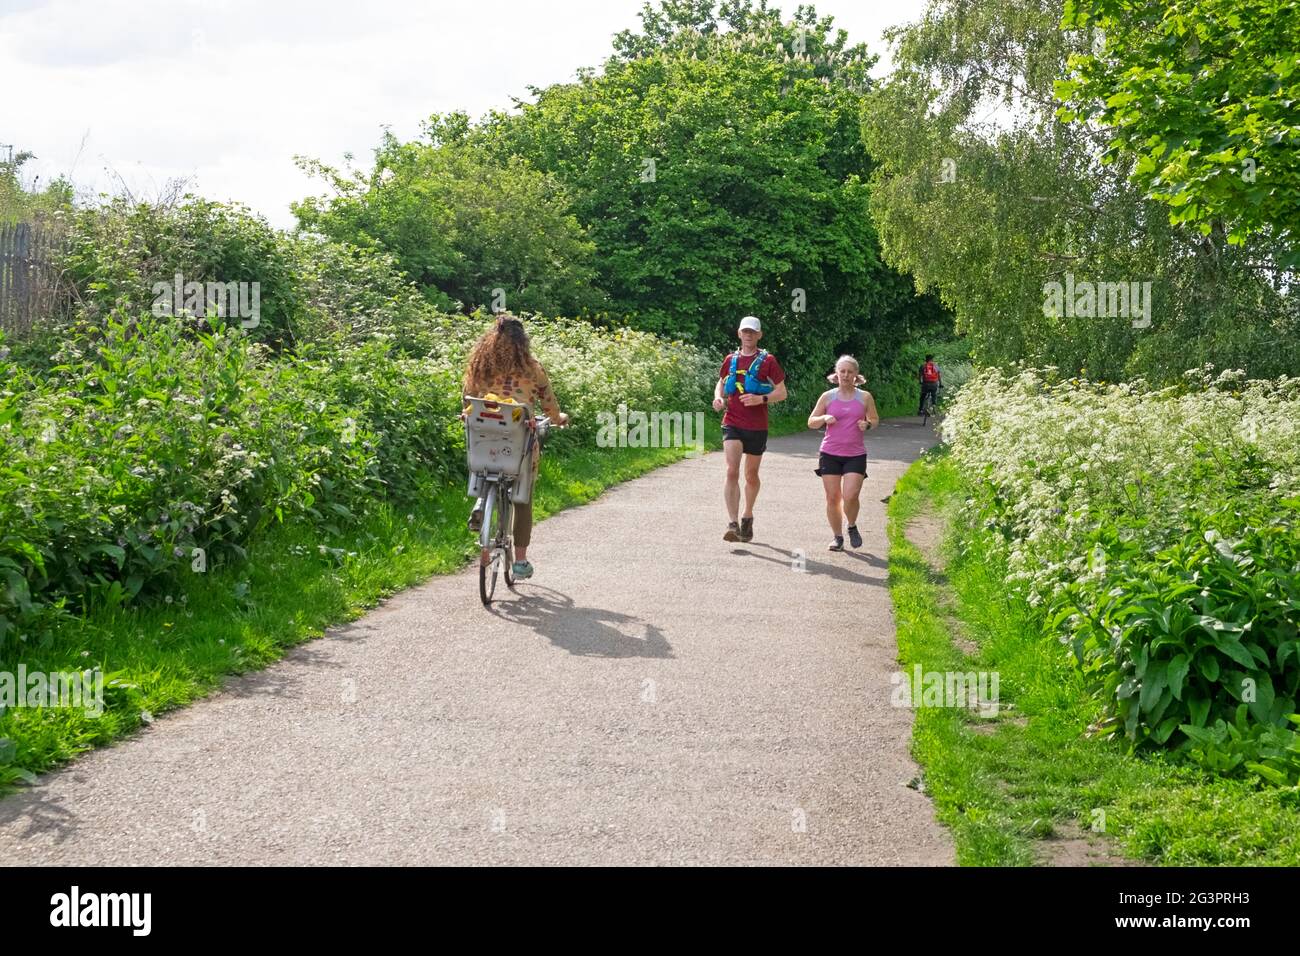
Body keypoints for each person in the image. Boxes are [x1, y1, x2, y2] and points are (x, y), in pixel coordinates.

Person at [462, 313, 569, 580]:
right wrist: (559, 419)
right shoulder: (532, 368)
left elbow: (467, 397)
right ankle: (520, 561)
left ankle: (481, 504)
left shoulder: (479, 366)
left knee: (483, 459)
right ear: (523, 341)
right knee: (523, 498)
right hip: (518, 441)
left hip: (483, 439)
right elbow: (548, 401)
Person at [712, 315, 787, 542]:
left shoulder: (768, 361)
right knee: (731, 471)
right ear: (739, 334)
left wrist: (761, 399)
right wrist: (718, 397)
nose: (748, 335)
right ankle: (732, 523)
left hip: (756, 426)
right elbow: (723, 382)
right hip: (732, 420)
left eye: (752, 332)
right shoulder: (730, 359)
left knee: (751, 475)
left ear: (759, 335)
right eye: (745, 331)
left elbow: (782, 392)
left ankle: (747, 516)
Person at [808, 355, 879, 551]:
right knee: (832, 498)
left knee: (851, 495)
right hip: (830, 452)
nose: (846, 375)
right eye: (842, 371)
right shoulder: (828, 396)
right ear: (836, 374)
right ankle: (837, 537)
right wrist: (824, 417)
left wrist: (868, 424)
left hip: (855, 454)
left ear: (856, 375)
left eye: (850, 372)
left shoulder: (864, 397)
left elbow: (875, 419)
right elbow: (811, 422)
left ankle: (852, 525)